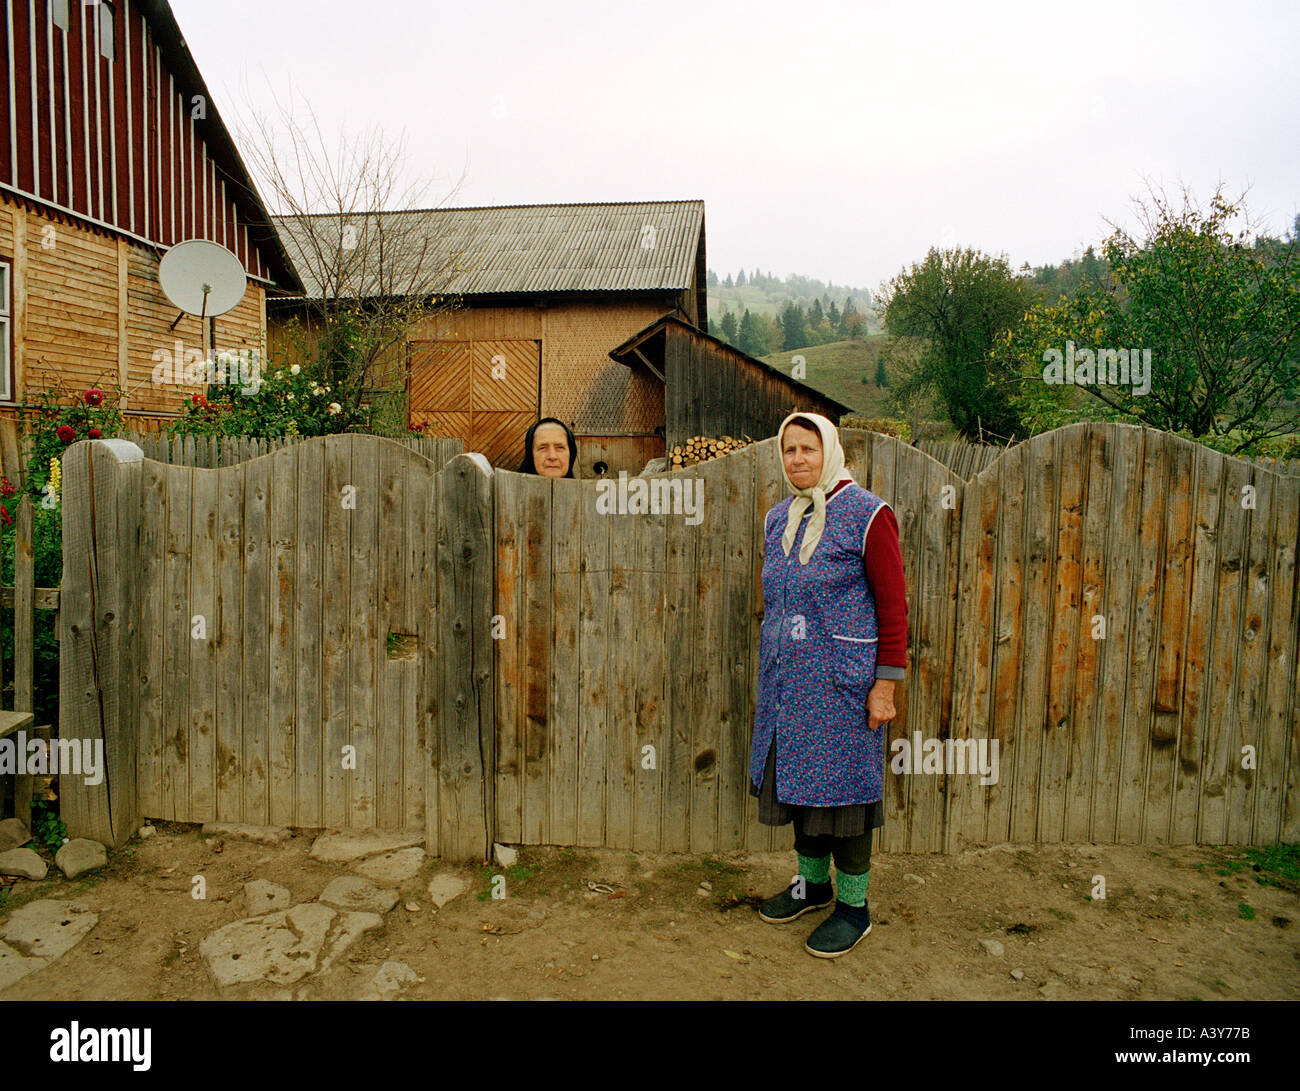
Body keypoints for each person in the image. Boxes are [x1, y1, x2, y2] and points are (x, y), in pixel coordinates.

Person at [750, 411, 908, 958]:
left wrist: (885, 685)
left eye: (808, 449)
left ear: (830, 452)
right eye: (789, 450)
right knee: (798, 786)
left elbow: (893, 608)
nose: (797, 459)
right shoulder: (779, 519)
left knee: (845, 797)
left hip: (842, 686)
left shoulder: (867, 514)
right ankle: (812, 887)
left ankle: (853, 908)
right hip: (788, 684)